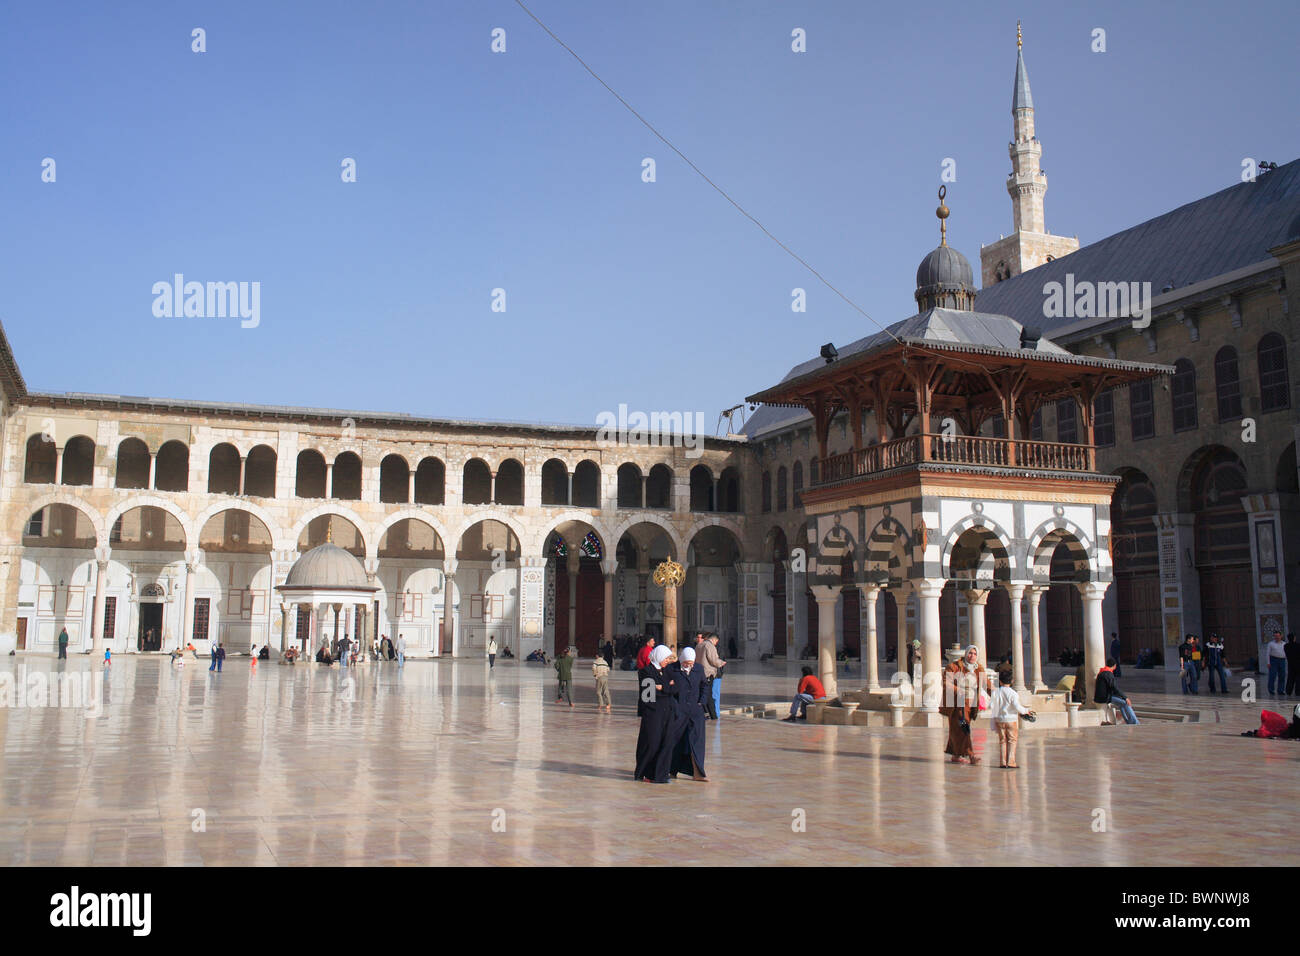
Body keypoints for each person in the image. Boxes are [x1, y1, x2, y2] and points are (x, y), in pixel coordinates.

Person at [634, 644, 678, 783]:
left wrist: (661, 688)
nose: (667, 661)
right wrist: (667, 687)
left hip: (668, 713)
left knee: (666, 744)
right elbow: (648, 695)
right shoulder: (646, 671)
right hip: (653, 714)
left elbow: (676, 688)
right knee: (651, 744)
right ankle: (644, 772)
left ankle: (661, 774)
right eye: (666, 658)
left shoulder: (667, 670)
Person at [669, 646, 708, 781]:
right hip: (679, 712)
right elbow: (668, 689)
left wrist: (701, 702)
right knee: (676, 741)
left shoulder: (698, 669)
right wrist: (675, 706)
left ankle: (698, 773)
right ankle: (672, 770)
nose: (688, 666)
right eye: (686, 663)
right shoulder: (672, 669)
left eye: (691, 663)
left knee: (696, 742)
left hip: (695, 712)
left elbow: (704, 686)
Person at [942, 645, 984, 764]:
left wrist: (1000, 693)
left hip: (971, 703)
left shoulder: (978, 669)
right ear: (966, 654)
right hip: (957, 703)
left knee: (957, 729)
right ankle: (971, 755)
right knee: (964, 728)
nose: (972, 656)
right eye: (970, 653)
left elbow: (987, 684)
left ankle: (956, 755)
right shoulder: (954, 666)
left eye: (975, 654)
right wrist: (958, 689)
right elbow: (946, 682)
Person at [991, 669, 1035, 768]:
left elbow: (992, 705)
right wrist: (1026, 711)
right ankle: (1011, 762)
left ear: (1000, 681)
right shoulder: (1013, 693)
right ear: (1011, 681)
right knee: (1012, 740)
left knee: (1002, 740)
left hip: (999, 719)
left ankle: (1003, 762)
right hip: (1011, 719)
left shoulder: (996, 692)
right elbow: (1017, 706)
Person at [1094, 658, 1139, 725]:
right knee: (1126, 703)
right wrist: (1125, 697)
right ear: (1115, 666)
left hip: (1101, 696)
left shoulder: (1102, 672)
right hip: (1105, 697)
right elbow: (1114, 688)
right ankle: (1135, 722)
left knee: (1121, 704)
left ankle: (1129, 722)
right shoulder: (1108, 674)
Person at [1265, 631, 1287, 696]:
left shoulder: (1284, 644)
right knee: (1272, 676)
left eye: (1278, 636)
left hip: (1282, 660)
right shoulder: (1271, 644)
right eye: (1275, 636)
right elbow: (1267, 654)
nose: (1277, 637)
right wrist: (1268, 662)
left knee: (1282, 676)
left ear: (1281, 636)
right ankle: (1271, 690)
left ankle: (1281, 690)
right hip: (1273, 660)